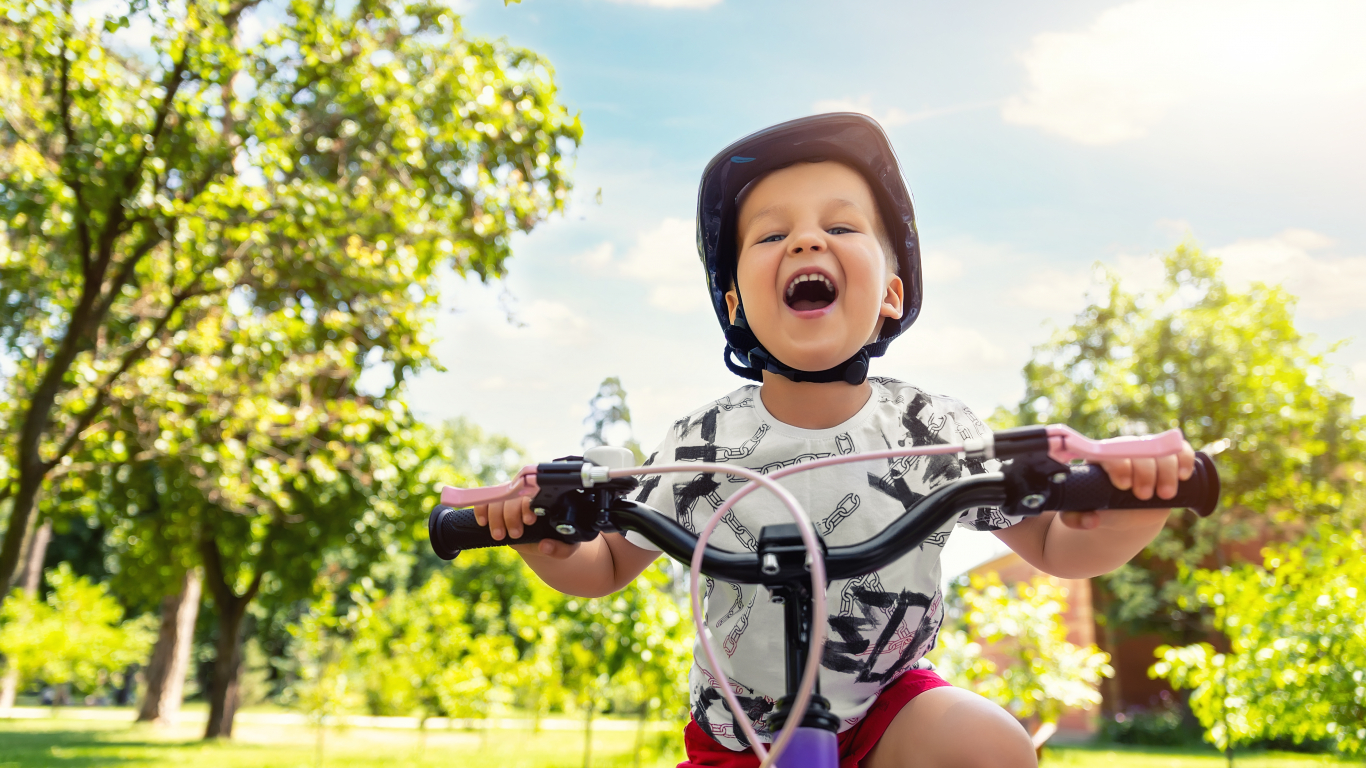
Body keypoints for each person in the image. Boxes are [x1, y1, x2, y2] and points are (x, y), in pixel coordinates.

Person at [472, 113, 1195, 768]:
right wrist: (551, 543)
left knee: (988, 746)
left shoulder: (932, 432)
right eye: (771, 235)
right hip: (740, 735)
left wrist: (1138, 505)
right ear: (736, 305)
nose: (807, 240)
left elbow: (1055, 545)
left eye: (842, 227)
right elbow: (607, 564)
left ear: (891, 294)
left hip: (891, 712)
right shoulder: (699, 443)